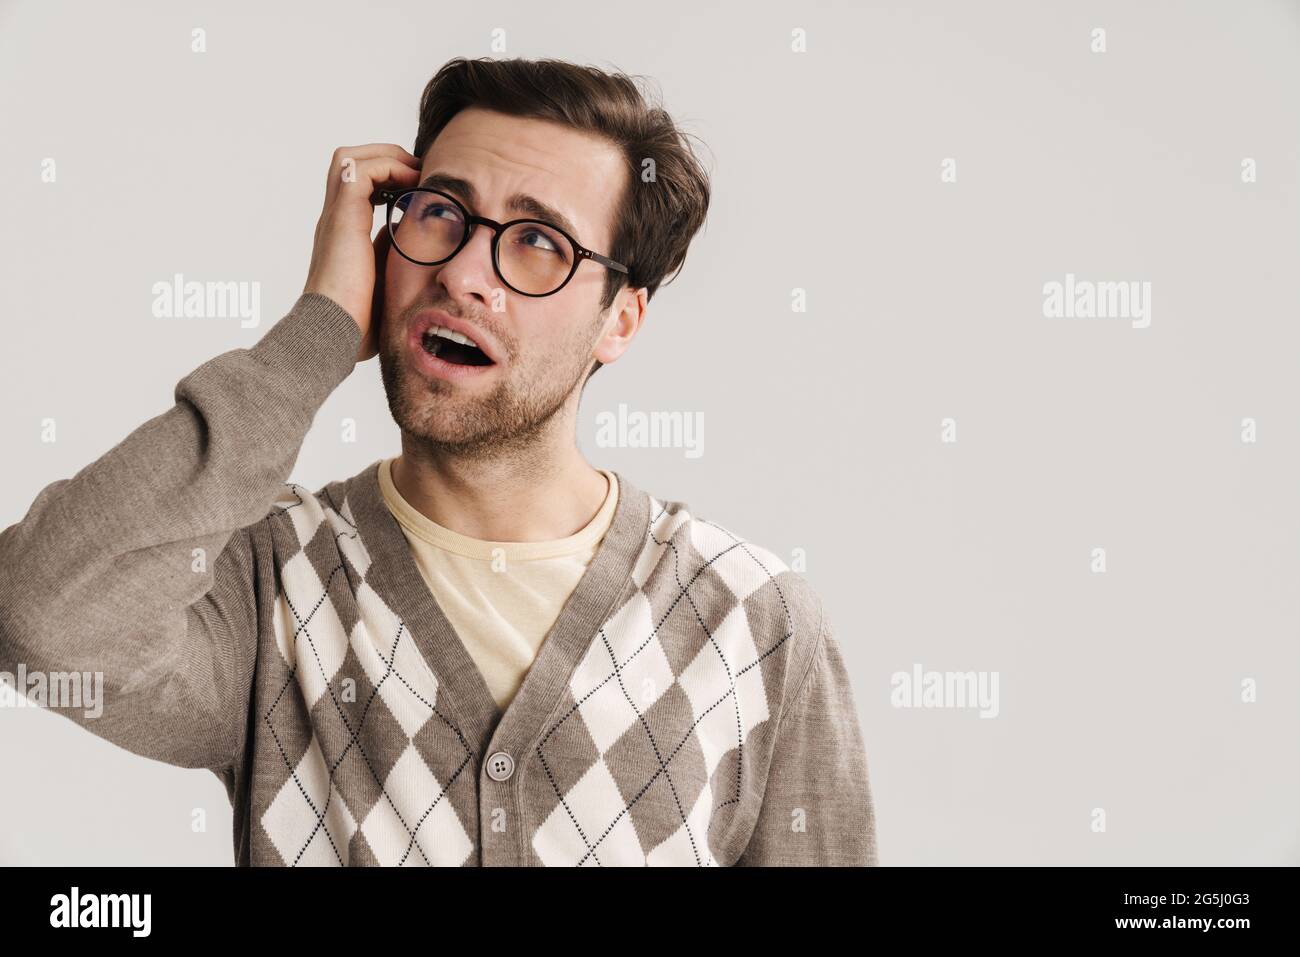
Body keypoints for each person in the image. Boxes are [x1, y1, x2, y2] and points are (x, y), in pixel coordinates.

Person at [0, 56, 878, 866]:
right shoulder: (268, 586)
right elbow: (41, 615)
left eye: (540, 240)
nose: (463, 272)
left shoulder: (753, 624)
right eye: (442, 213)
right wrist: (319, 330)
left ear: (621, 320)